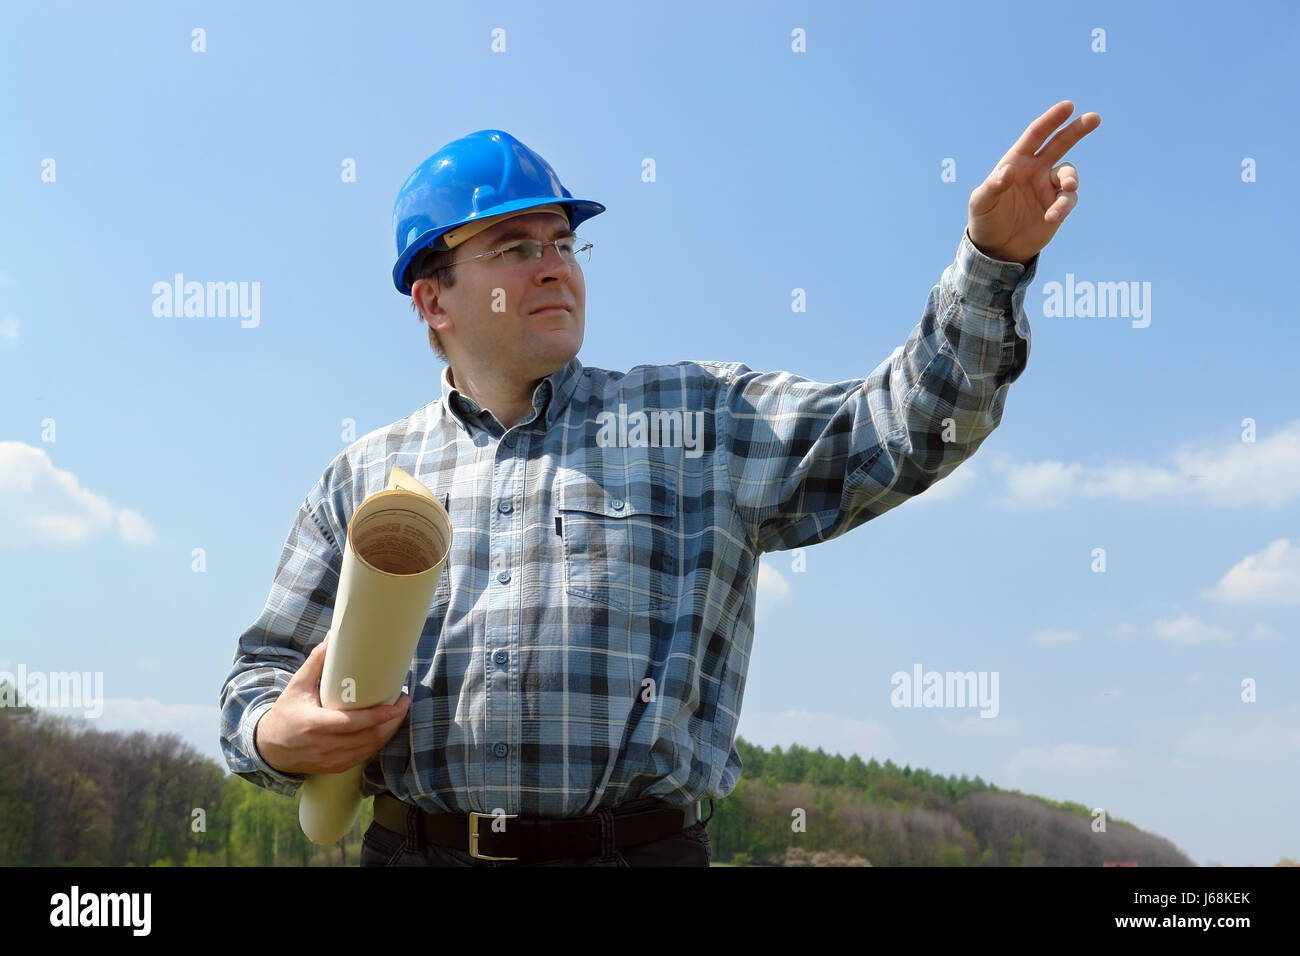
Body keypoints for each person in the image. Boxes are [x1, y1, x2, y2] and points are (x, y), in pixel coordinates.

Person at [219, 103, 1101, 867]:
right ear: (433, 298)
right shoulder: (364, 479)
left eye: (565, 242)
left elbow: (908, 428)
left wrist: (990, 263)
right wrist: (274, 735)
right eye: (514, 246)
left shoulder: (697, 421)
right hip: (412, 853)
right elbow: (256, 682)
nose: (555, 264)